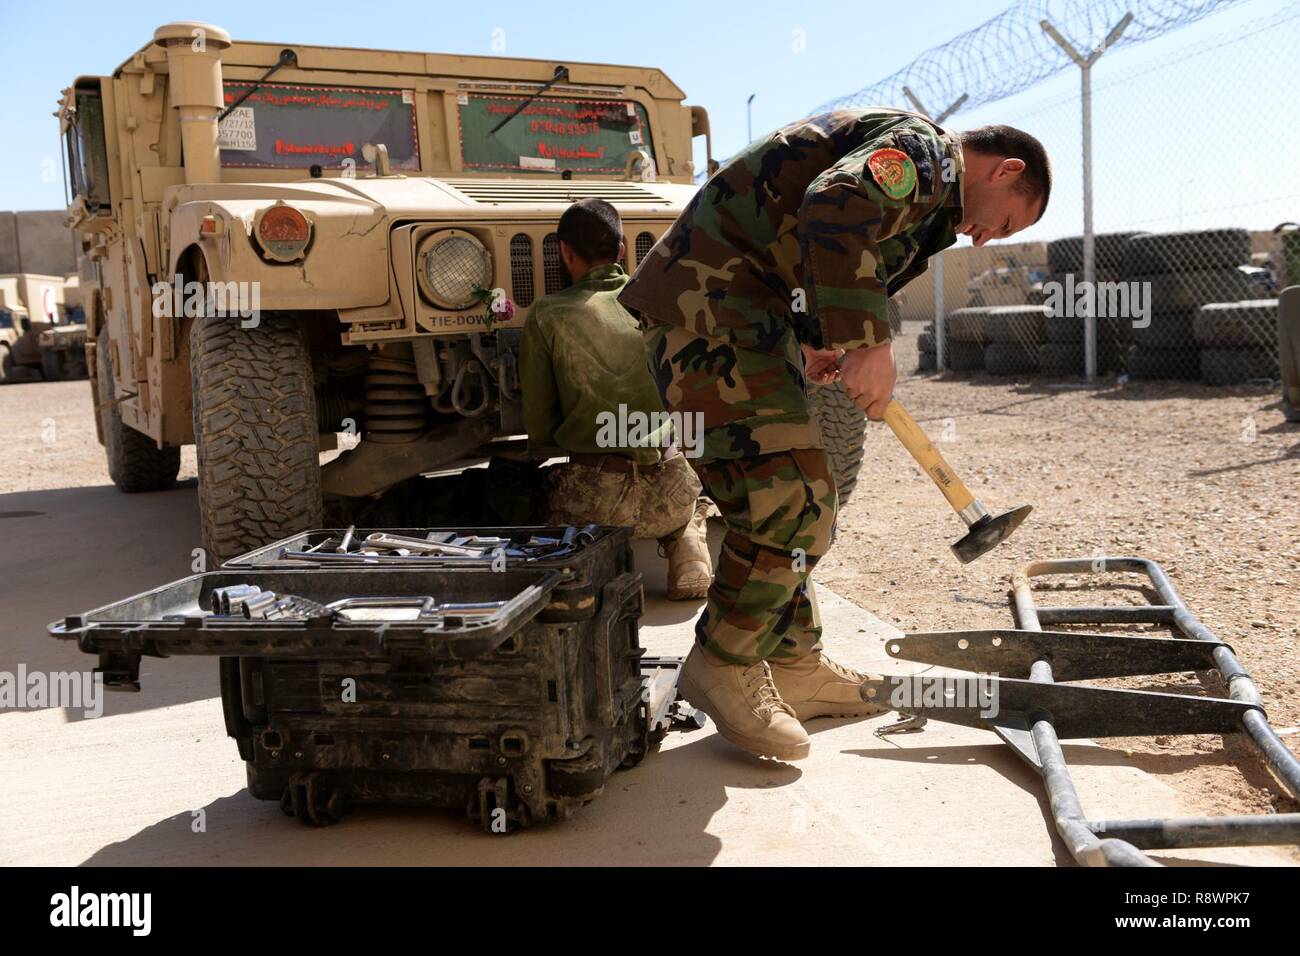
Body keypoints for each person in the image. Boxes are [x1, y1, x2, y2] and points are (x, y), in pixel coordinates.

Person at [619, 112, 1051, 760]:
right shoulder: (927, 155)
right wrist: (870, 341)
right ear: (1005, 170)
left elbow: (808, 247)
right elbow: (837, 203)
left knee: (785, 499)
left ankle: (794, 663)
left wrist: (820, 339)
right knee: (792, 499)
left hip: (738, 316)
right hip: (708, 313)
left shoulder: (929, 192)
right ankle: (722, 664)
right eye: (1008, 220)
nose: (988, 239)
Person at [520, 198, 712, 600]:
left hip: (596, 504)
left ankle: (582, 561)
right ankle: (687, 538)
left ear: (564, 252)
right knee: (687, 481)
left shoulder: (547, 314)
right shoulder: (661, 301)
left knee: (511, 492)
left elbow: (540, 430)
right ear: (622, 252)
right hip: (672, 492)